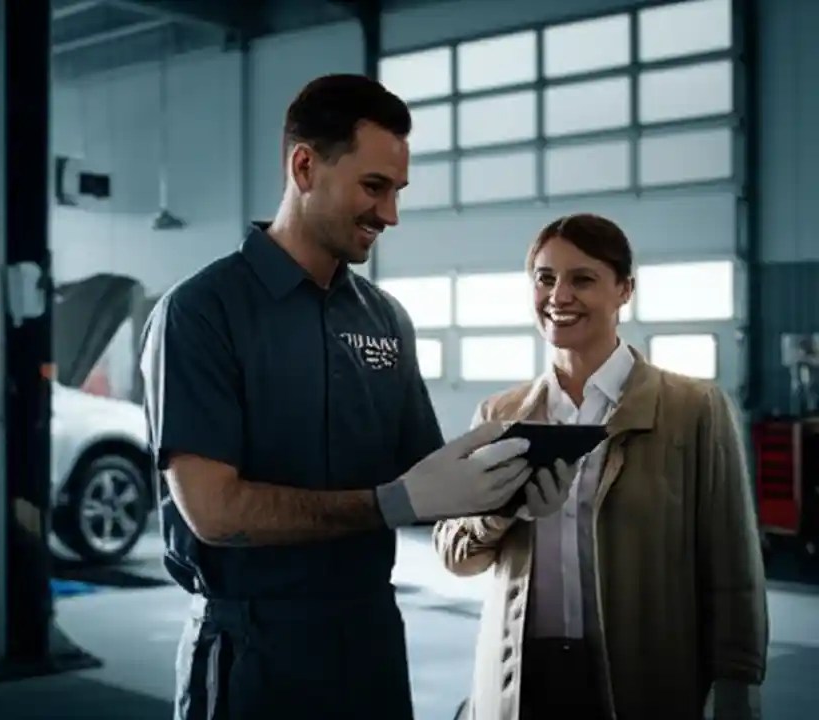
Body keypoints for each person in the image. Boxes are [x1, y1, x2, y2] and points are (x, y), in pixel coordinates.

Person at [138, 73, 571, 720]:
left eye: (396, 191)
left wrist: (507, 491)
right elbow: (214, 511)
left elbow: (425, 481)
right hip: (252, 649)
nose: (390, 214)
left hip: (370, 640)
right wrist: (391, 502)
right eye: (374, 187)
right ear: (305, 166)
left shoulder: (384, 318)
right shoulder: (201, 314)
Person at [434, 214, 768, 720]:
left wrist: (738, 684)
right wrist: (504, 510)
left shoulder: (693, 410)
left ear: (624, 290)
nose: (558, 295)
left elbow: (732, 563)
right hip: (523, 681)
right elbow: (457, 555)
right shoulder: (500, 416)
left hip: (640, 679)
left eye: (582, 279)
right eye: (545, 278)